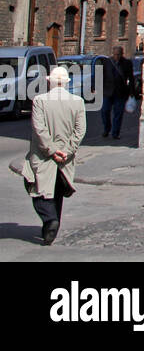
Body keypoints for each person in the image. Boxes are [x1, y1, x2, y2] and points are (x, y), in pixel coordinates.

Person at [10, 65, 86, 245]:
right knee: (57, 191)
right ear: (66, 83)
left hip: (43, 155)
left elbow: (39, 129)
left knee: (37, 189)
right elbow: (80, 130)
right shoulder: (77, 101)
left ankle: (50, 220)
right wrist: (67, 150)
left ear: (50, 82)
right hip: (65, 157)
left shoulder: (40, 100)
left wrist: (51, 150)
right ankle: (51, 227)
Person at [102, 46, 134, 140]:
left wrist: (131, 91)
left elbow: (131, 78)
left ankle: (115, 133)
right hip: (108, 91)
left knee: (118, 113)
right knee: (105, 111)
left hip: (121, 92)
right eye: (115, 54)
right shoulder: (107, 62)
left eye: (119, 54)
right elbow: (102, 75)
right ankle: (107, 128)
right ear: (113, 53)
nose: (117, 56)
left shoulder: (127, 63)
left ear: (122, 54)